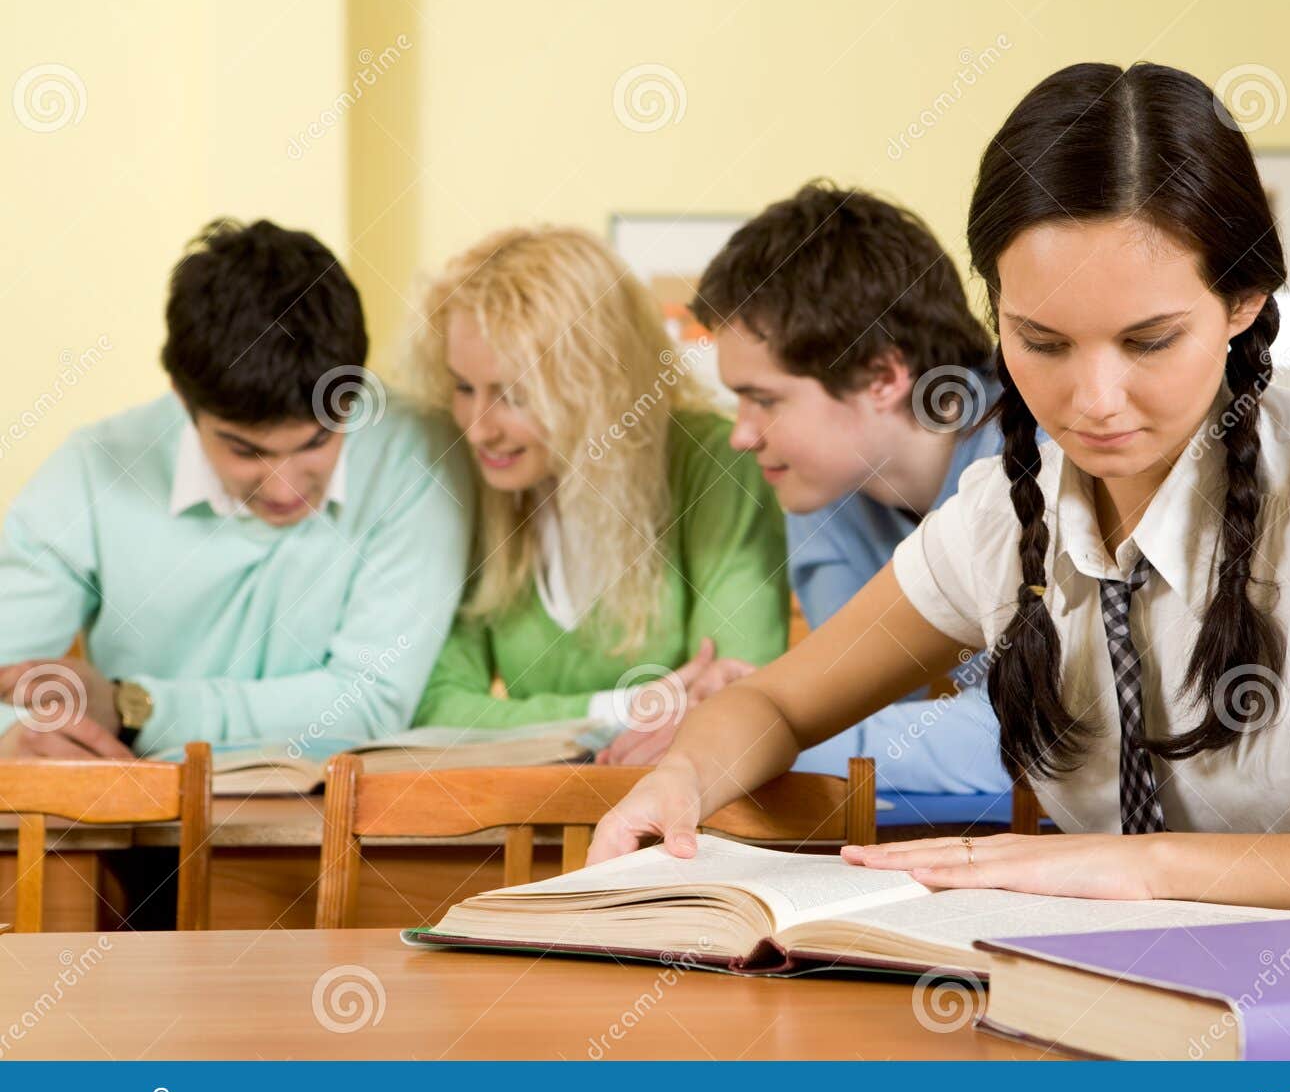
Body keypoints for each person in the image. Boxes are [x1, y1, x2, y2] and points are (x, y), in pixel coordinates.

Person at [585, 62, 1290, 931]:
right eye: (1042, 342)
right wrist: (680, 776)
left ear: (1241, 304)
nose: (1091, 400)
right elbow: (769, 701)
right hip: (1107, 1000)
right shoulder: (994, 518)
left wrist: (1144, 870)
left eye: (1148, 340)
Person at [0, 218, 473, 758]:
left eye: (316, 442)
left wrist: (134, 708)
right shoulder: (94, 470)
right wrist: (23, 738)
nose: (283, 486)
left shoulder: (419, 453)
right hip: (135, 831)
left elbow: (368, 704)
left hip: (343, 831)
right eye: (246, 451)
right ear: (183, 398)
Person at [688, 182, 1010, 795]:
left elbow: (1033, 740)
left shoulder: (1043, 461)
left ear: (883, 376)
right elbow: (852, 702)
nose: (741, 436)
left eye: (764, 400)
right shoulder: (822, 477)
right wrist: (750, 713)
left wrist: (750, 740)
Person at [409, 226, 789, 738]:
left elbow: (732, 701)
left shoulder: (715, 462)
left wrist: (537, 722)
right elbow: (437, 711)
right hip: (535, 812)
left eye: (515, 395)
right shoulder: (477, 482)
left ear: (597, 385)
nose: (479, 428)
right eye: (463, 387)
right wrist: (629, 708)